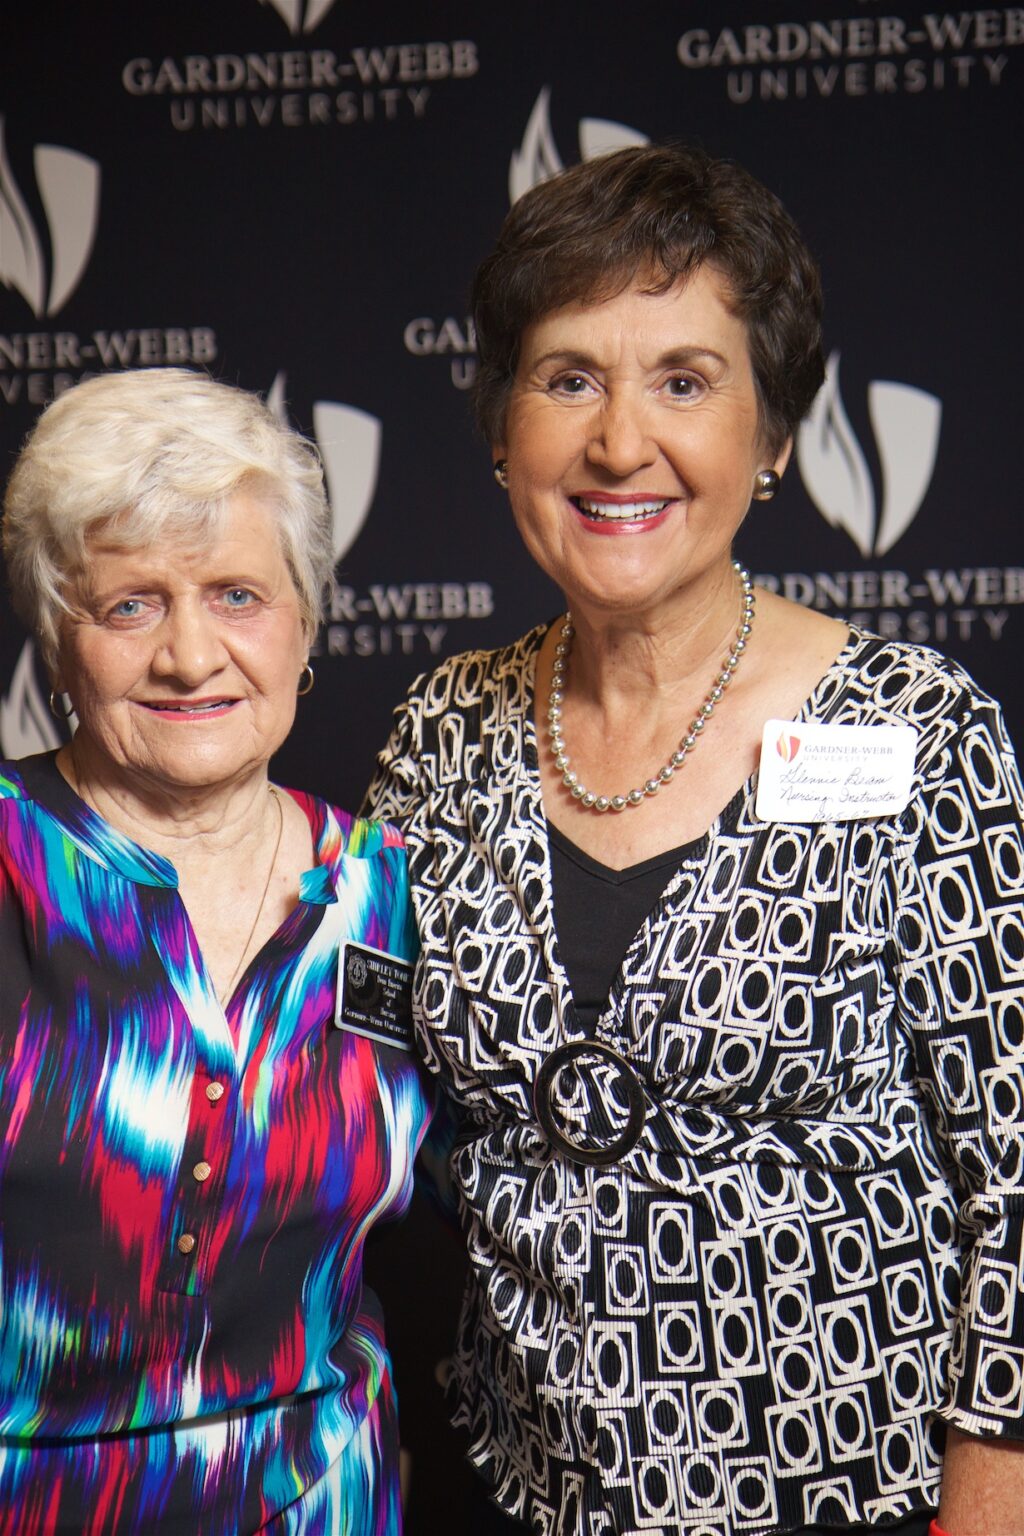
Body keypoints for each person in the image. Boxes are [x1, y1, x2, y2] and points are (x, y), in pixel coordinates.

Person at [364, 146, 1024, 1536]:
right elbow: (342, 1090)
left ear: (775, 435)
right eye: (567, 379)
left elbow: (1013, 1169)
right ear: (500, 430)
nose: (618, 444)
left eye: (684, 379)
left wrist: (993, 1498)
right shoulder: (441, 731)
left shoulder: (915, 729)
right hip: (511, 1487)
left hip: (858, 1501)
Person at [0, 368, 432, 1534]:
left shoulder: (388, 889)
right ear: (57, 639)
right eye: (130, 604)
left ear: (304, 620)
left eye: (237, 593)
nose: (193, 656)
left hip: (322, 1502)